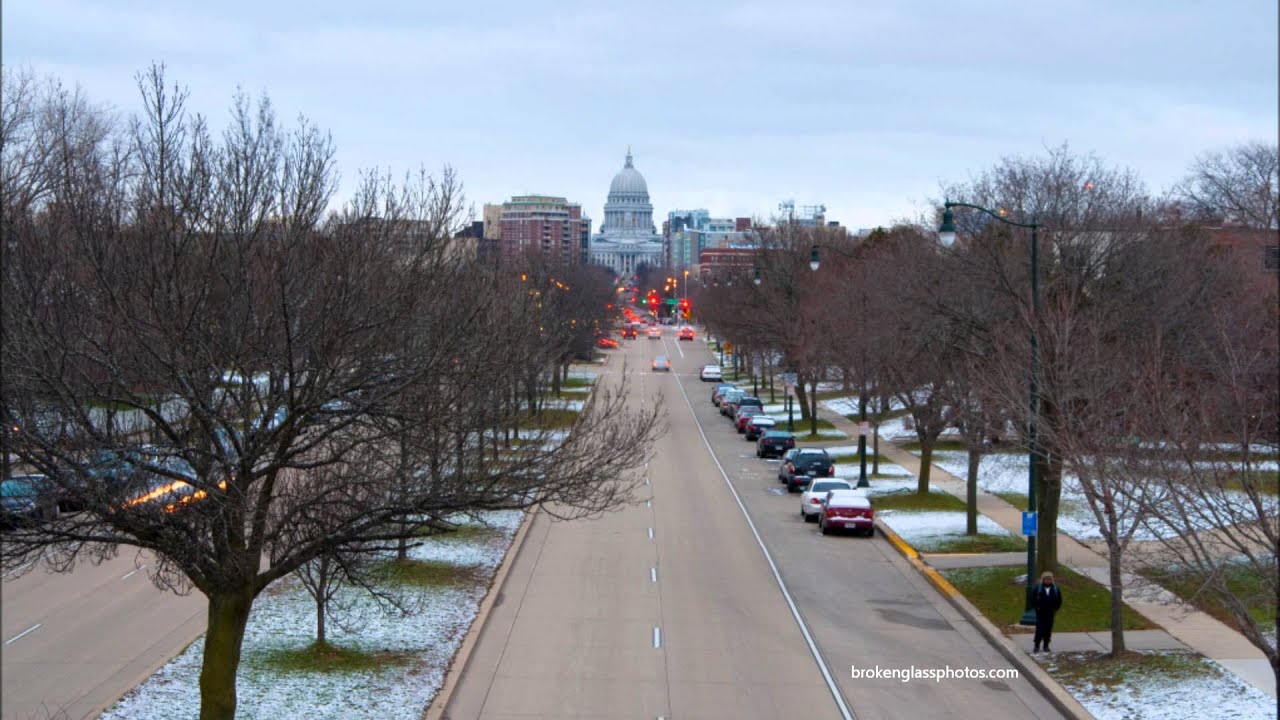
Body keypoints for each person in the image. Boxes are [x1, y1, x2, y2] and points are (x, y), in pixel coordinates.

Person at [1032, 571, 1063, 652]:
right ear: (1043, 580)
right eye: (1046, 579)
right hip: (1040, 612)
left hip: (1050, 612)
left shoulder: (1055, 589)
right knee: (1039, 629)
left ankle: (1046, 645)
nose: (1047, 581)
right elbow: (1032, 599)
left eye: (1049, 579)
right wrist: (1037, 607)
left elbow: (1059, 600)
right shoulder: (1038, 588)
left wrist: (1055, 609)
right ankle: (1037, 645)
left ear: (1051, 580)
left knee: (1048, 629)